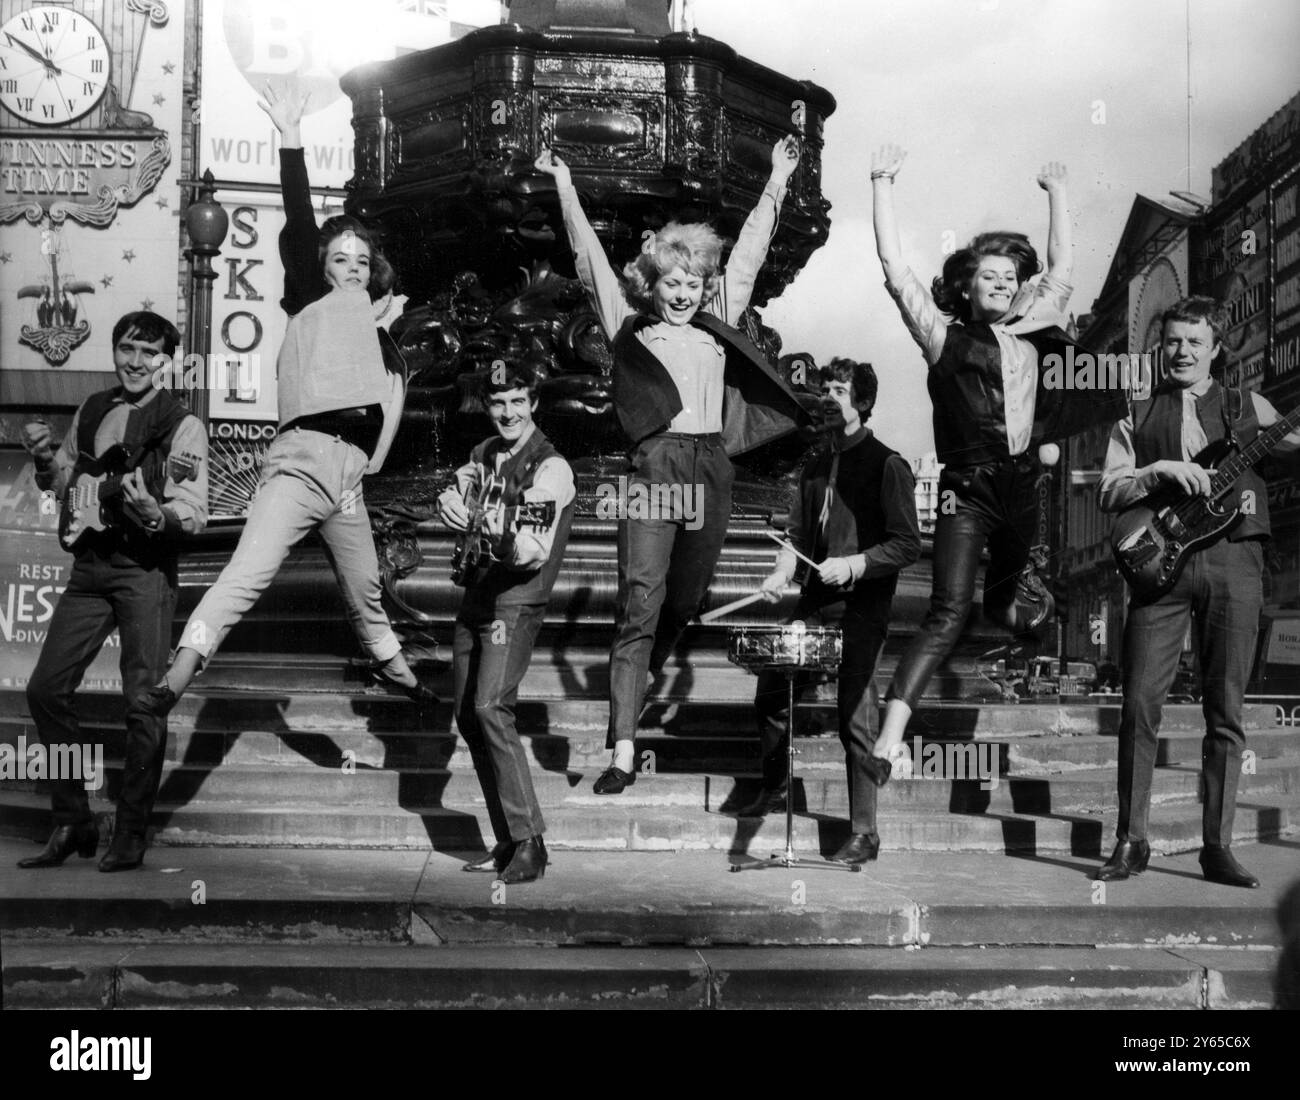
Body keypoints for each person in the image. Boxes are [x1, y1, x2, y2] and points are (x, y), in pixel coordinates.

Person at [534, 136, 811, 795]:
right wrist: (565, 188)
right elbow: (590, 262)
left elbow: (749, 255)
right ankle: (623, 750)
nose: (684, 292)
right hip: (652, 471)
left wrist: (777, 179)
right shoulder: (630, 328)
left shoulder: (719, 321)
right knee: (639, 600)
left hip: (710, 466)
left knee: (683, 601)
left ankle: (649, 665)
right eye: (672, 282)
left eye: (694, 283)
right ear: (651, 284)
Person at [140, 84, 428, 716]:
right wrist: (291, 138)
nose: (351, 268)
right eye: (340, 259)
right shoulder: (311, 299)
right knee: (247, 574)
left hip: (347, 479)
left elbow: (389, 401)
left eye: (361, 260)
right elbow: (300, 219)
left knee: (366, 586)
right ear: (320, 267)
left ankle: (398, 671)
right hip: (299, 466)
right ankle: (177, 674)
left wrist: (367, 464)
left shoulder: (375, 330)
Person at [865, 145, 1121, 784]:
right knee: (948, 610)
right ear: (966, 288)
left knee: (1012, 604)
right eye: (990, 278)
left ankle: (1023, 616)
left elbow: (1062, 265)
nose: (1003, 285)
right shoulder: (942, 336)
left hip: (1024, 489)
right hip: (964, 491)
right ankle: (891, 736)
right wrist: (882, 183)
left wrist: (1057, 192)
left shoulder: (1038, 325)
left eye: (1010, 277)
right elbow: (896, 269)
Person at [1095, 296, 1300, 888]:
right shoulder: (1137, 407)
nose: (1182, 352)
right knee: (1138, 703)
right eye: (1173, 341)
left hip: (1236, 559)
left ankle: (1217, 847)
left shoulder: (1247, 405)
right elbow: (1109, 489)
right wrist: (1157, 471)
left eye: (1195, 342)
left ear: (1215, 349)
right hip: (1160, 563)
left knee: (1226, 711)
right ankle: (1132, 841)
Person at [18, 312, 209, 872]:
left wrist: (158, 513)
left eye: (149, 352)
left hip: (143, 571)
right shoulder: (94, 407)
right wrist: (46, 458)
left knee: (143, 702)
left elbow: (194, 511)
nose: (135, 360)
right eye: (126, 347)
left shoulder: (181, 424)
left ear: (167, 361)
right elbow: (71, 488)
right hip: (90, 570)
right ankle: (72, 818)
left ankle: (130, 833)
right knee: (45, 689)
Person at [741, 359, 921, 863]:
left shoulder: (889, 464)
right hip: (816, 602)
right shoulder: (816, 463)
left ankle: (864, 832)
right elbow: (797, 535)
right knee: (772, 691)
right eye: (824, 389)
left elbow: (907, 543)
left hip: (862, 606)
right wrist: (782, 573)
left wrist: (856, 564)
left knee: (855, 719)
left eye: (839, 390)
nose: (827, 398)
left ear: (862, 402)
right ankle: (777, 788)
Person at [436, 363, 576, 883]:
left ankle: (530, 842)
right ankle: (507, 840)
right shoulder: (486, 453)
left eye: (518, 401)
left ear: (533, 402)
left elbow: (531, 552)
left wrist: (486, 523)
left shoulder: (552, 468)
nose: (508, 413)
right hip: (476, 596)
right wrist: (449, 499)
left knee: (492, 707)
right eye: (498, 403)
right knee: (470, 717)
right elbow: (462, 482)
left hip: (514, 601)